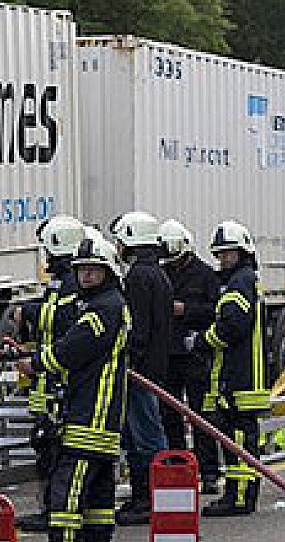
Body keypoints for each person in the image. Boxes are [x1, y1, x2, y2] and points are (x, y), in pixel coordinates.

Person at [16, 235, 129, 542]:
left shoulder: (103, 309)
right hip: (97, 420)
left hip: (89, 420)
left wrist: (36, 362)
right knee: (97, 503)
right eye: (82, 269)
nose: (86, 275)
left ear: (109, 271)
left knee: (66, 496)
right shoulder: (101, 304)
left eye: (94, 269)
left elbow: (73, 348)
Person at [187, 220, 269, 517]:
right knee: (237, 438)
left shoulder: (239, 283)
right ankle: (236, 495)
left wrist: (202, 341)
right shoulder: (242, 280)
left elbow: (231, 326)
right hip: (240, 375)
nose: (223, 259)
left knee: (240, 440)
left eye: (228, 253)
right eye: (220, 254)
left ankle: (239, 498)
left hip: (240, 378)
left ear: (242, 252)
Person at [12, 216, 87, 532]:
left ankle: (53, 511)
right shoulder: (63, 281)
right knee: (47, 447)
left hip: (58, 383)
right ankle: (50, 508)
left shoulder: (71, 282)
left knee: (56, 452)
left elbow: (60, 319)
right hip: (49, 382)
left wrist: (27, 311)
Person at [109, 211, 172, 526]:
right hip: (154, 369)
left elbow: (138, 329)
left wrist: (127, 359)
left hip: (139, 372)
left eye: (120, 240)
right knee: (147, 434)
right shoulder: (158, 274)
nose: (117, 247)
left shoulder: (137, 277)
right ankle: (149, 498)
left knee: (143, 438)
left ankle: (147, 500)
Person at [159, 219, 222, 495]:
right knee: (169, 415)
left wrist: (186, 310)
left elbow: (214, 311)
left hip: (196, 354)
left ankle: (208, 473)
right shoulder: (163, 272)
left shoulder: (206, 275)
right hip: (169, 354)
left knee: (201, 415)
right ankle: (178, 469)